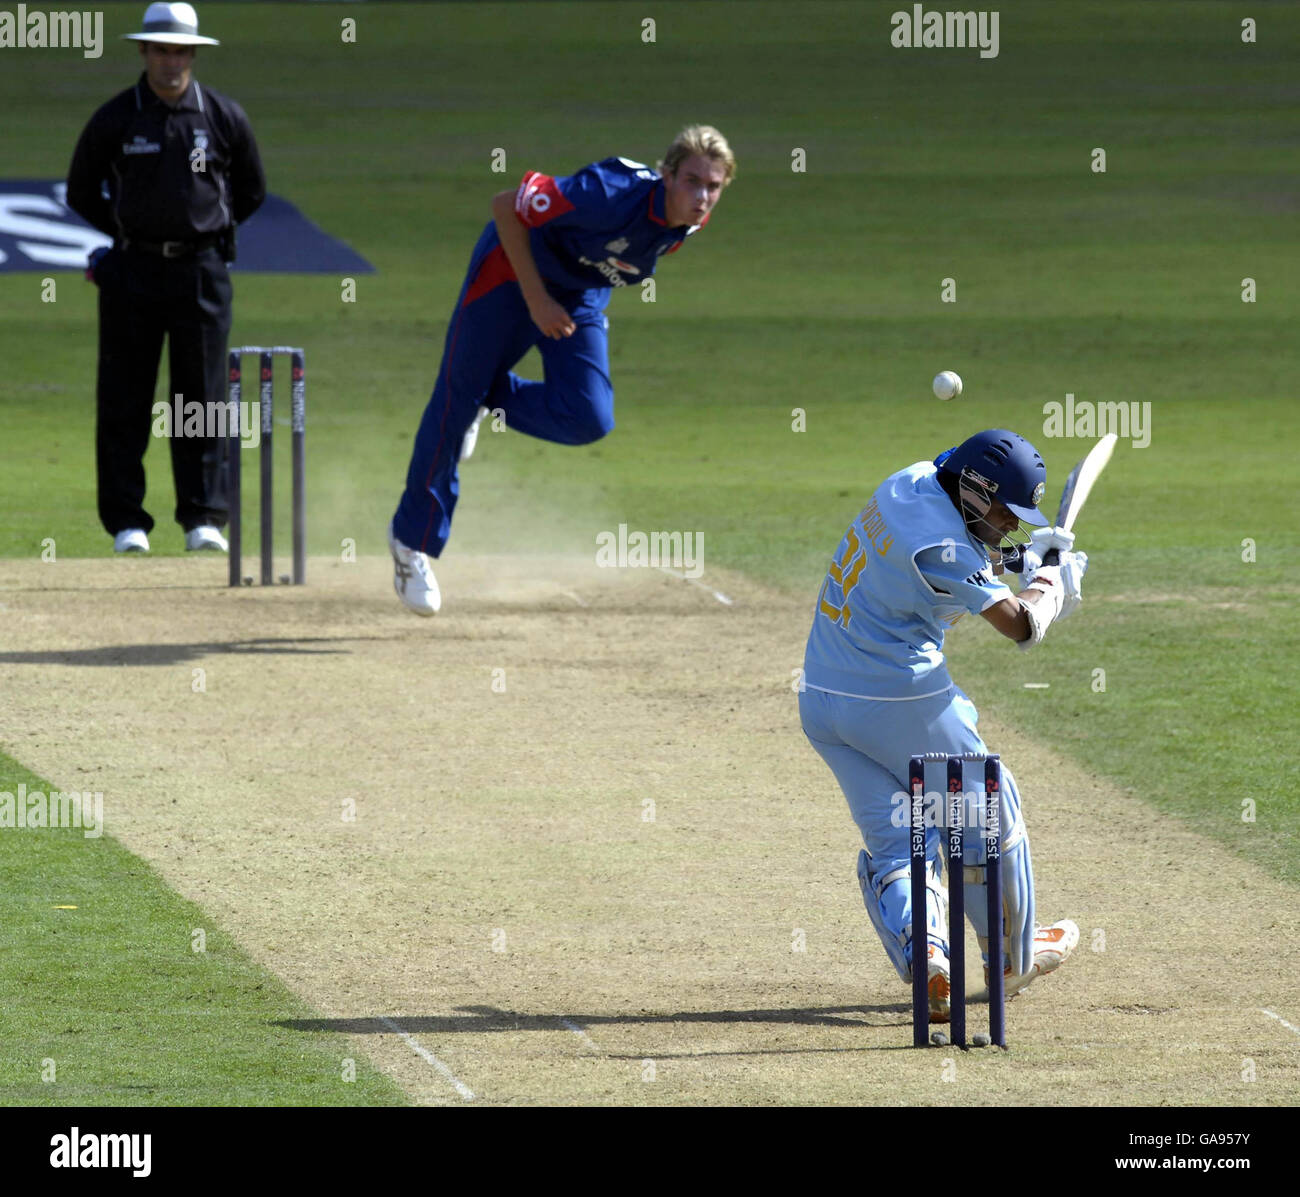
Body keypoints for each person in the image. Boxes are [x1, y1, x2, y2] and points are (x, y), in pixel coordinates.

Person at [798, 429, 1088, 1024]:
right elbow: (1022, 627)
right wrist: (1051, 582)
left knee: (901, 837)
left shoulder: (909, 480)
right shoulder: (945, 549)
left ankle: (927, 952)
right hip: (896, 696)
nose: (1012, 526)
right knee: (987, 803)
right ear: (978, 493)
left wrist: (1022, 556)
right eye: (1009, 514)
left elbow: (961, 552)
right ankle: (1012, 955)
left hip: (822, 696)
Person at [387, 125, 736, 614]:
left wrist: (564, 299)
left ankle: (484, 397)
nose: (702, 196)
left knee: (589, 416)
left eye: (713, 187)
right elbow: (506, 206)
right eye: (692, 181)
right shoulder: (608, 192)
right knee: (454, 399)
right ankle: (411, 542)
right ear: (667, 174)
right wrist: (537, 301)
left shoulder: (689, 224)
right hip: (512, 271)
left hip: (581, 292)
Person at [66, 2, 266, 554]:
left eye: (180, 51)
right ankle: (127, 522)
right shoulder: (116, 118)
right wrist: (126, 233)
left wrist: (208, 231)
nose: (171, 61)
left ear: (193, 54)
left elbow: (250, 191)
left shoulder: (223, 117)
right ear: (144, 52)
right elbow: (81, 190)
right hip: (132, 271)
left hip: (201, 271)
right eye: (161, 50)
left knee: (199, 395)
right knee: (124, 394)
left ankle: (202, 516)